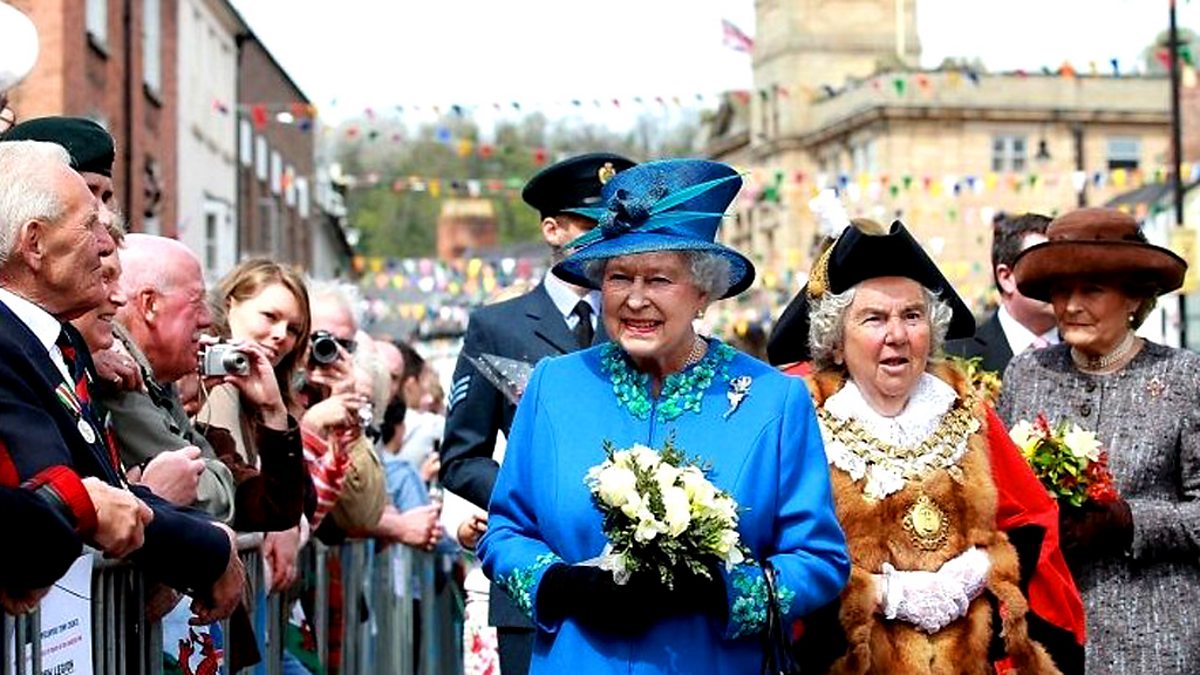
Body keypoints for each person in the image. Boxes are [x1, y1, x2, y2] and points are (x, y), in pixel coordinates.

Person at [478, 159, 849, 674]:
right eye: (618, 277)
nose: (635, 298)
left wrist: (720, 590)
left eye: (658, 279)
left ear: (702, 292)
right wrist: (561, 585)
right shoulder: (553, 386)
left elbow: (820, 562)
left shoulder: (775, 400)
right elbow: (504, 533)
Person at [768, 217, 1083, 673]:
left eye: (912, 316)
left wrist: (979, 570)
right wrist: (878, 592)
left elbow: (1031, 522)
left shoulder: (964, 407)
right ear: (836, 343)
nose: (897, 334)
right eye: (874, 318)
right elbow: (781, 552)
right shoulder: (803, 418)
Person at [0, 139, 241, 622]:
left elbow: (107, 492)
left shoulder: (51, 344)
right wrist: (207, 550)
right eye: (90, 225)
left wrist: (209, 540)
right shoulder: (8, 345)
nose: (107, 244)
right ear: (34, 243)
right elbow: (70, 507)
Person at [440, 152, 634, 674]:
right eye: (591, 222)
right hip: (537, 568)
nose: (604, 236)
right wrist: (527, 496)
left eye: (615, 225)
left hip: (635, 569)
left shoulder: (640, 321)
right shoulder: (499, 326)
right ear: (552, 228)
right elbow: (462, 455)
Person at [998, 207, 1198, 673]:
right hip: (1045, 636)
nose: (1070, 305)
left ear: (1134, 297)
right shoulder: (1028, 373)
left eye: (1092, 290)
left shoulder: (1184, 378)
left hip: (1154, 639)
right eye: (1061, 290)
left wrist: (1128, 522)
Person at [100, 234, 237, 521]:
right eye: (196, 302)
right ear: (150, 304)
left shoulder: (156, 378)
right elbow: (213, 493)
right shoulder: (122, 379)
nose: (207, 319)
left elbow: (212, 480)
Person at [197, 258, 309, 533]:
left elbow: (279, 505)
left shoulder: (264, 397)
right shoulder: (214, 385)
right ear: (229, 304)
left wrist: (275, 413)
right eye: (270, 316)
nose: (281, 335)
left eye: (293, 329)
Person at [945, 212, 1057, 373]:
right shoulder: (957, 359)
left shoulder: (1091, 352)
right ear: (1006, 278)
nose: (1059, 278)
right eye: (1045, 267)